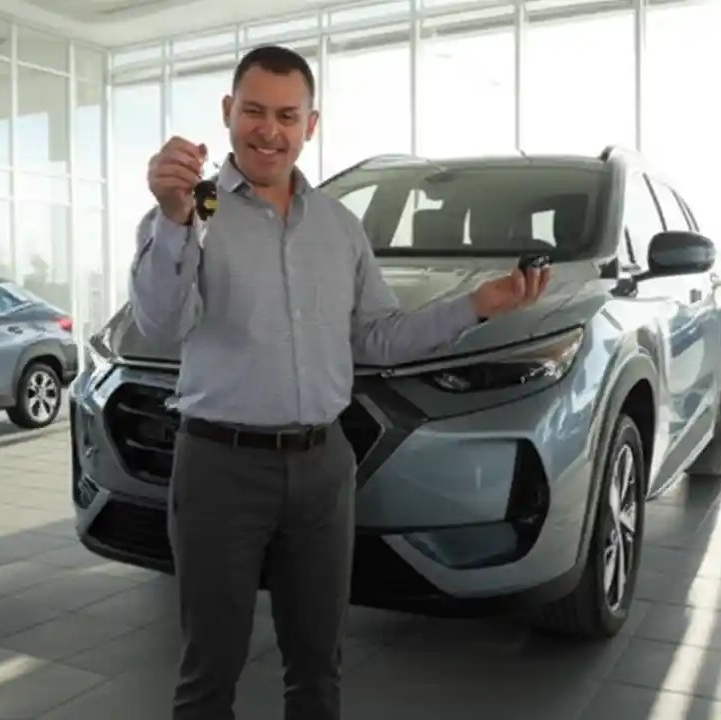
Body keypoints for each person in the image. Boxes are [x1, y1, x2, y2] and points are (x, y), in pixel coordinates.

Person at [129, 45, 551, 720]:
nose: (270, 130)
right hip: (218, 469)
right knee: (209, 671)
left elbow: (377, 339)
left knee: (319, 669)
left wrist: (479, 304)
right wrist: (172, 214)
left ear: (310, 124)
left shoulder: (338, 225)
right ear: (227, 113)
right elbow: (157, 323)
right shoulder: (198, 206)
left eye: (287, 115)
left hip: (323, 468)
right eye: (255, 112)